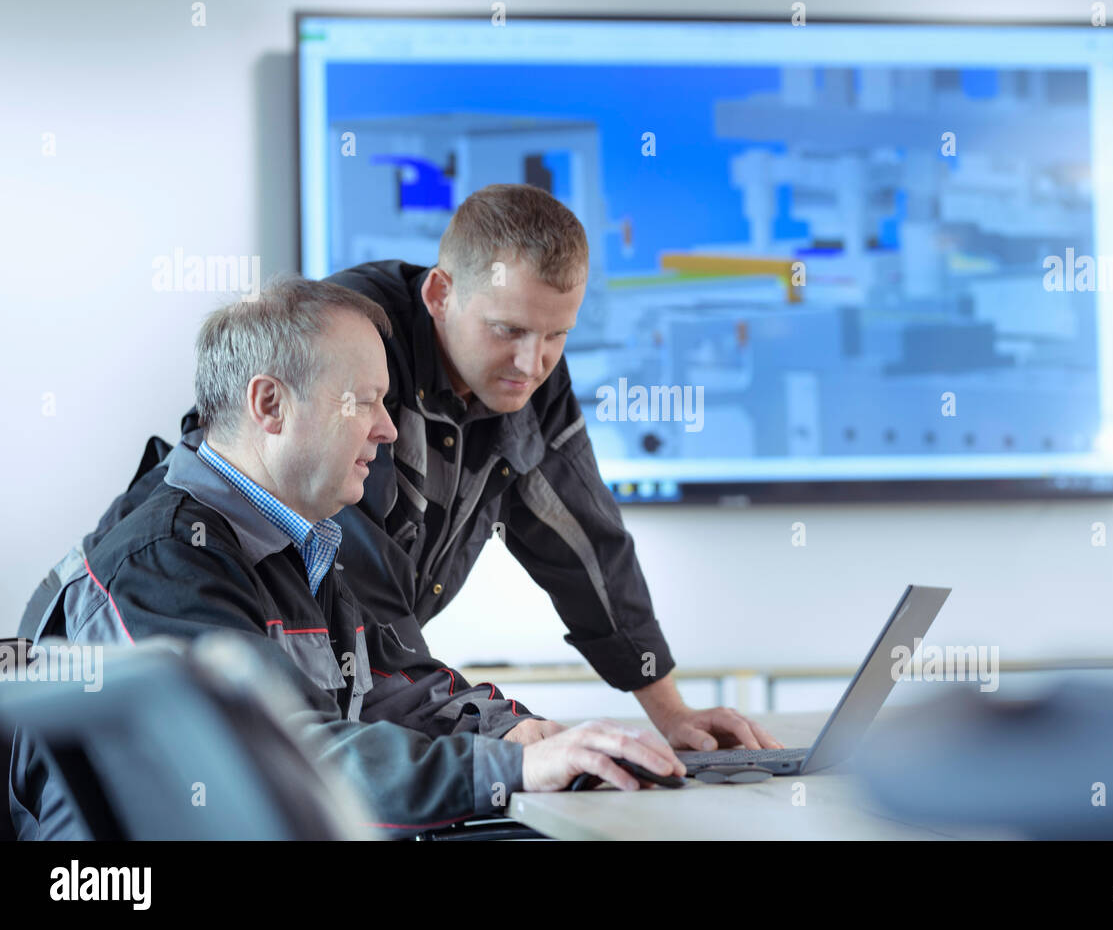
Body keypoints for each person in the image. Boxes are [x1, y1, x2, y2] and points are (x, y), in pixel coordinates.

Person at [23, 182, 780, 753]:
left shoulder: (525, 375)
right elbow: (329, 710)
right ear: (441, 294)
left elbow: (583, 546)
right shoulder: (345, 360)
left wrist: (659, 714)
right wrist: (509, 755)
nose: (533, 364)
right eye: (510, 330)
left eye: (555, 338)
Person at [10, 277, 684, 839]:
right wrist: (508, 772)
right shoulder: (164, 561)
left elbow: (396, 684)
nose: (389, 430)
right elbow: (276, 760)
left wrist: (526, 737)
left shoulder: (303, 545)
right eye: (364, 402)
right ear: (270, 404)